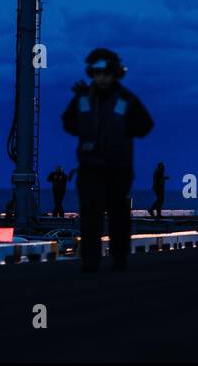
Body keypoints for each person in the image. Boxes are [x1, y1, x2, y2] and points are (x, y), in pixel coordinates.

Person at [61, 48, 154, 273]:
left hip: (118, 168)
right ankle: (90, 260)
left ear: (114, 73)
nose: (100, 77)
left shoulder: (126, 99)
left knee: (118, 216)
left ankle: (119, 258)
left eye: (105, 72)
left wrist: (121, 134)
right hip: (90, 167)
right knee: (90, 215)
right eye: (96, 73)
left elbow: (145, 124)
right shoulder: (82, 99)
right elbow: (68, 122)